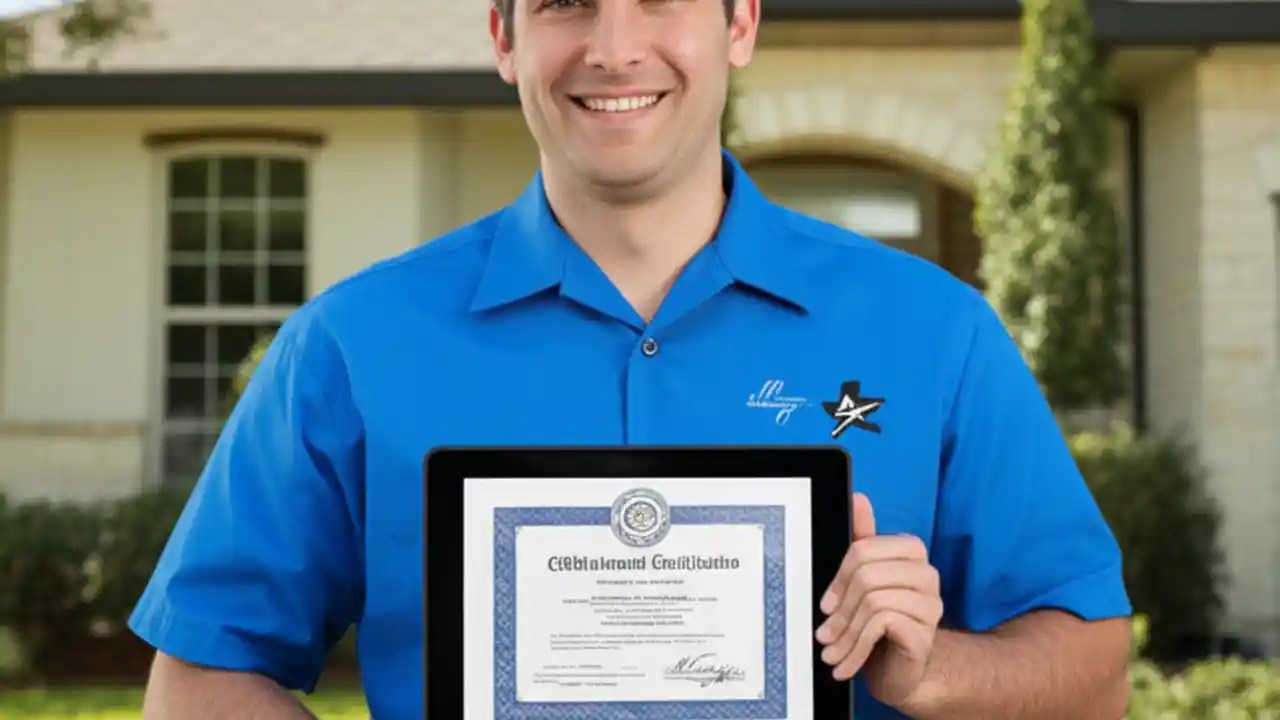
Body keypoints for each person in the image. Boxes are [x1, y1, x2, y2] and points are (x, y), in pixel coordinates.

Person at [130, 0, 1134, 717]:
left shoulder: (935, 332)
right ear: (503, 37)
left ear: (739, 22)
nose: (612, 48)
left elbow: (1092, 673)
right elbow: (199, 681)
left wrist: (930, 673)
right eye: (564, 2)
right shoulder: (349, 346)